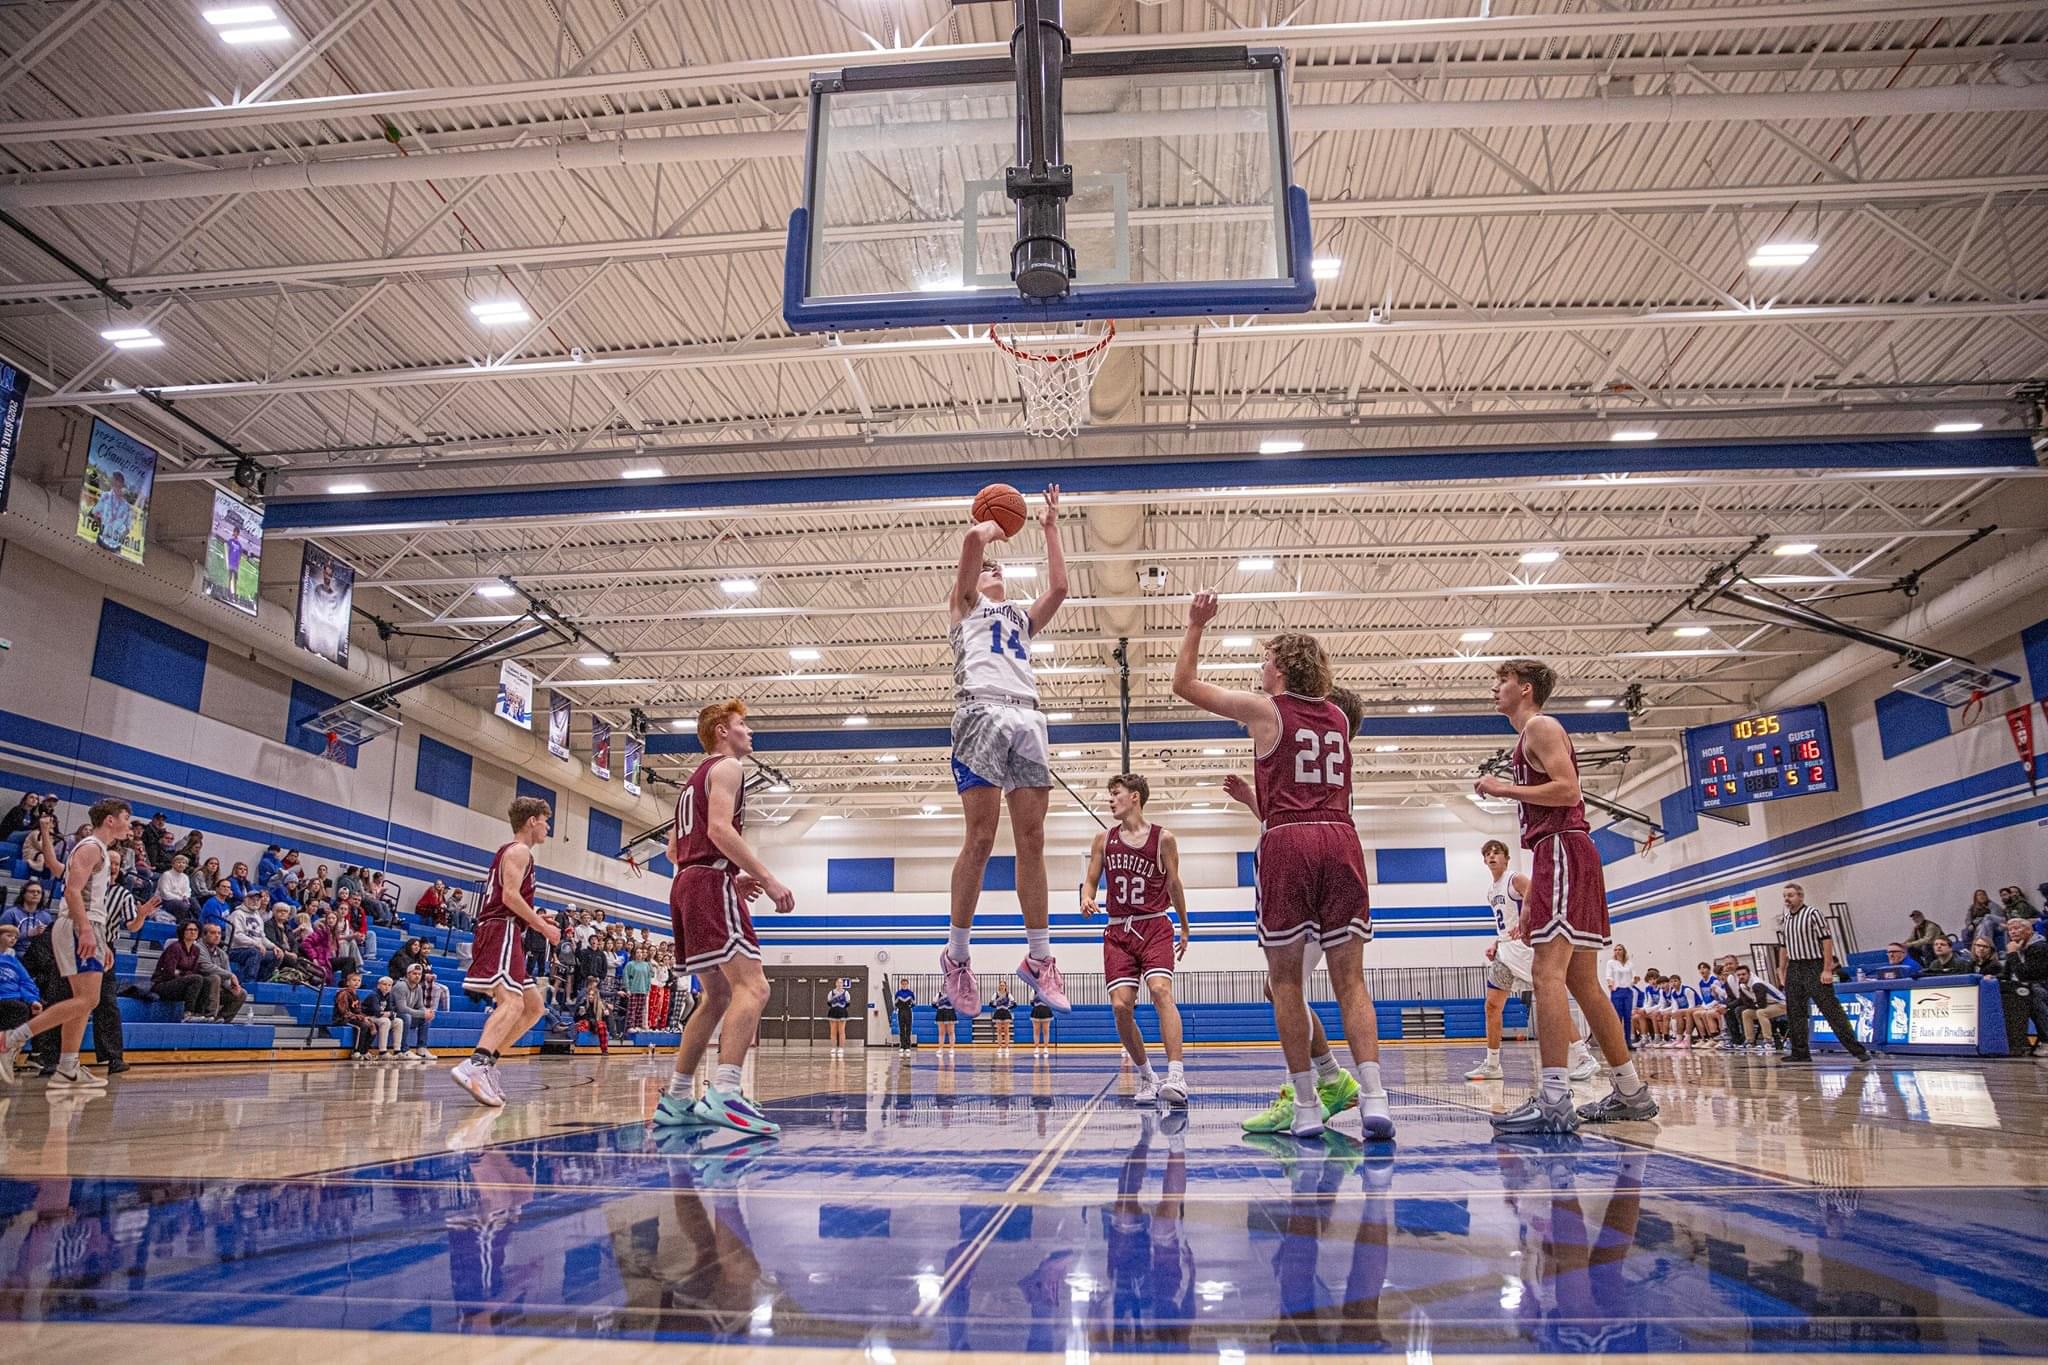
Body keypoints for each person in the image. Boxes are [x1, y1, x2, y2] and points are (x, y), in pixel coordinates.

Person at [1171, 591, 1393, 1141]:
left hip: (1289, 842)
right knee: (1351, 982)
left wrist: (1195, 625)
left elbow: (1185, 685)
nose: (1261, 666)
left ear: (1284, 667)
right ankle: (1375, 1099)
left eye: (1266, 658)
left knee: (1285, 982)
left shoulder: (1267, 709)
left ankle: (1308, 1106)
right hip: (1341, 837)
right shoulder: (1337, 716)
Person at [1474, 659, 1655, 1133]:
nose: (1495, 688)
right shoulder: (1529, 735)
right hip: (1563, 853)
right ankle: (1631, 1091)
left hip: (1561, 847)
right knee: (1582, 982)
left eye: (1502, 681)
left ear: (1525, 689)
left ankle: (1554, 1097)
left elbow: (1569, 791)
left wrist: (1503, 788)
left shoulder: (1540, 725)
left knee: (1545, 973)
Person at [937, 484, 1072, 1026]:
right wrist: (990, 527)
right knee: (981, 838)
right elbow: (973, 542)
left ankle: (1039, 958)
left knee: (1032, 840)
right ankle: (957, 956)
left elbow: (1059, 587)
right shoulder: (964, 605)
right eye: (986, 570)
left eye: (999, 569)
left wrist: (1049, 527)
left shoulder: (1020, 618)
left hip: (1027, 716)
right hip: (980, 711)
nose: (994, 571)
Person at [652, 699, 794, 1135]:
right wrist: (766, 879)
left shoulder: (691, 782)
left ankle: (677, 1098)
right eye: (742, 724)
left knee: (715, 996)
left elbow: (674, 851)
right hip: (707, 883)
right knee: (754, 987)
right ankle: (726, 1092)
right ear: (721, 731)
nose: (749, 732)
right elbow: (718, 829)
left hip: (686, 884)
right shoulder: (728, 767)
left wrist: (727, 876)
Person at [1, 798, 158, 1087]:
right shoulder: (91, 847)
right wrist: (86, 930)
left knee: (82, 1001)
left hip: (85, 925)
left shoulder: (94, 849)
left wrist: (101, 940)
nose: (129, 824)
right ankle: (12, 1039)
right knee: (88, 1000)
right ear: (110, 820)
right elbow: (72, 892)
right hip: (79, 924)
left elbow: (60, 872)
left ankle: (67, 1067)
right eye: (126, 817)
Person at [1080, 772, 1192, 1105]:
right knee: (1120, 1006)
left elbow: (1175, 884)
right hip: (1118, 929)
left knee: (1160, 990)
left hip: (1154, 925)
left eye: (1116, 793)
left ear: (1135, 797)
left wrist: (1185, 927)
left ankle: (1176, 1076)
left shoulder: (1163, 838)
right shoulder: (1103, 839)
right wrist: (1086, 897)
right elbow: (1090, 880)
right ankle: (1147, 1077)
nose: (1110, 799)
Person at [448, 798, 561, 1106]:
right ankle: (474, 1066)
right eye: (545, 821)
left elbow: (511, 897)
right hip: (501, 929)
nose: (548, 827)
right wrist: (542, 927)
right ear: (532, 821)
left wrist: (536, 918)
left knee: (534, 1007)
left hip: (508, 929)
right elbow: (509, 897)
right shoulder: (519, 850)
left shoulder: (515, 853)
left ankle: (488, 1063)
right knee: (512, 1003)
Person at [1466, 839, 1600, 1083]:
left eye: (1497, 852)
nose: (1492, 856)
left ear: (1506, 858)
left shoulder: (1515, 879)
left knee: (1551, 1003)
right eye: (1488, 854)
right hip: (1505, 951)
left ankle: (1584, 1056)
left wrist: (1524, 924)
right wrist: (1496, 942)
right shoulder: (1491, 890)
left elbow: (1537, 896)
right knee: (1492, 1006)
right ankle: (1493, 1064)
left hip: (1524, 950)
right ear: (1484, 860)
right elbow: (1505, 922)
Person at [1773, 882, 1873, 1064]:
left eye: (1791, 895)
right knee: (1794, 1012)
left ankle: (1857, 1050)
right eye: (1785, 896)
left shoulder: (1813, 914)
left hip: (1814, 964)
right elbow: (1784, 946)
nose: (1787, 899)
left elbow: (1827, 941)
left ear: (1800, 896)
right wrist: (1782, 969)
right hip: (1795, 966)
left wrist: (1827, 969)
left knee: (1830, 1009)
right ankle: (1800, 1052)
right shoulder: (1786, 919)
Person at [2001, 917, 2048, 1056]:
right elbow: (2006, 974)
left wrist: (2012, 954)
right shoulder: (2015, 947)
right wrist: (1990, 977)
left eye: (2017, 928)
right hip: (2023, 986)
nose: (2013, 932)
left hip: (2042, 985)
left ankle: (2046, 1040)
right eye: (2010, 930)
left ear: (2029, 930)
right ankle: (2016, 1042)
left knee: (2033, 994)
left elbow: (2026, 975)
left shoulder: (2040, 947)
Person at [194, 921, 247, 1022]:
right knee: (215, 978)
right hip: (200, 988)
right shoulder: (197, 948)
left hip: (216, 989)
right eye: (213, 933)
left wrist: (231, 988)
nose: (217, 936)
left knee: (241, 993)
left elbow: (227, 975)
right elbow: (205, 967)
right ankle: (210, 1016)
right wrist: (231, 975)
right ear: (204, 935)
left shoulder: (222, 954)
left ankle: (222, 1019)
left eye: (219, 933)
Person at [1727, 965, 1787, 1052]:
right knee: (1746, 1013)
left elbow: (1761, 1004)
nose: (1741, 977)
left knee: (1761, 1012)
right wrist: (1727, 1006)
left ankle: (1769, 1041)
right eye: (1739, 975)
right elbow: (1742, 1000)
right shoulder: (1742, 986)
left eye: (1743, 974)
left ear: (1749, 974)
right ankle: (1750, 1041)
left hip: (1781, 1004)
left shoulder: (1756, 984)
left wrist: (1751, 1005)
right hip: (1768, 1005)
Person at [1604, 945, 1635, 1045]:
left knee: (1627, 1017)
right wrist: (1610, 983)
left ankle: (1628, 1041)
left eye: (1619, 949)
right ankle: (1618, 1041)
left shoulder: (1629, 963)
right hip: (1617, 990)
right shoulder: (1611, 963)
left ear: (1624, 951)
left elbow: (1633, 976)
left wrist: (1634, 980)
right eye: (1615, 950)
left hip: (1628, 990)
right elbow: (1609, 975)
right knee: (1617, 1017)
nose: (1617, 951)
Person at [623, 946, 653, 1031]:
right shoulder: (630, 964)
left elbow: (648, 978)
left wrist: (648, 989)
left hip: (643, 990)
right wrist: (628, 989)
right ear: (634, 954)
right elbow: (626, 977)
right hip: (633, 990)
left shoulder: (646, 965)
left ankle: (637, 1025)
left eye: (641, 952)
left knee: (640, 1009)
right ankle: (630, 1026)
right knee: (632, 1009)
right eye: (638, 952)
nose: (639, 954)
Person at [576, 980, 610, 1054]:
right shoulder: (583, 1003)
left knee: (601, 1025)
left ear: (596, 996)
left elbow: (606, 1023)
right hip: (587, 1024)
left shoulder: (601, 1005)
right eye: (589, 994)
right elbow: (576, 1019)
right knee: (584, 1023)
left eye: (592, 995)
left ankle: (604, 1050)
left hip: (596, 1025)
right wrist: (580, 1014)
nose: (590, 996)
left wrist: (606, 1016)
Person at [826, 978, 851, 1057]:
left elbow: (848, 1003)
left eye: (841, 983)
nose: (840, 984)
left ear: (843, 984)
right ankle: (833, 1048)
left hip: (842, 1012)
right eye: (838, 982)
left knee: (841, 1031)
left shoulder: (846, 993)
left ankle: (841, 1048)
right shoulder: (831, 992)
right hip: (833, 1012)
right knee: (833, 1031)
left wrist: (841, 1008)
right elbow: (829, 1002)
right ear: (836, 983)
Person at [989, 978, 1015, 1052]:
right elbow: (990, 1003)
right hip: (998, 1013)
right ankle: (999, 1047)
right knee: (999, 1031)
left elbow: (1014, 1003)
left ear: (1005, 986)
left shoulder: (1008, 994)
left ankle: (1006, 1047)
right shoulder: (996, 994)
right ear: (999, 986)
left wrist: (1008, 1007)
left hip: (1006, 1013)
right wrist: (997, 1006)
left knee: (1006, 1031)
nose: (1002, 986)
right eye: (1001, 985)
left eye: (1003, 985)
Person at [894, 979, 917, 1052]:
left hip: (908, 1011)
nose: (904, 985)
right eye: (903, 984)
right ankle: (902, 1046)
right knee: (901, 1029)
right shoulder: (898, 993)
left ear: (907, 984)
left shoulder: (911, 993)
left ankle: (907, 1046)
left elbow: (914, 1003)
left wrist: (910, 1006)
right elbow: (895, 1003)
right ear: (901, 984)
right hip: (901, 1011)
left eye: (905, 984)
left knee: (908, 1028)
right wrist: (898, 1007)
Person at [933, 985, 957, 1050]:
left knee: (951, 1032)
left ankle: (952, 1048)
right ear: (943, 987)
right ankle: (940, 1048)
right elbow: (933, 1004)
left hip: (950, 1013)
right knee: (941, 1032)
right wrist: (940, 1007)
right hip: (941, 1013)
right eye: (945, 986)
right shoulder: (939, 994)